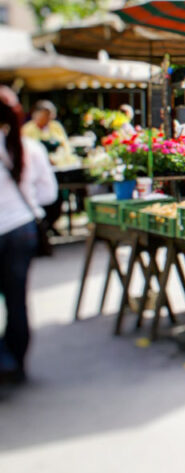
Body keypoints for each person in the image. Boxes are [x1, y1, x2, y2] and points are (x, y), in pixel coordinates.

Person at [0, 86, 57, 384]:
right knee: (16, 300)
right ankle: (15, 364)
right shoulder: (30, 148)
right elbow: (48, 194)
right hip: (21, 229)